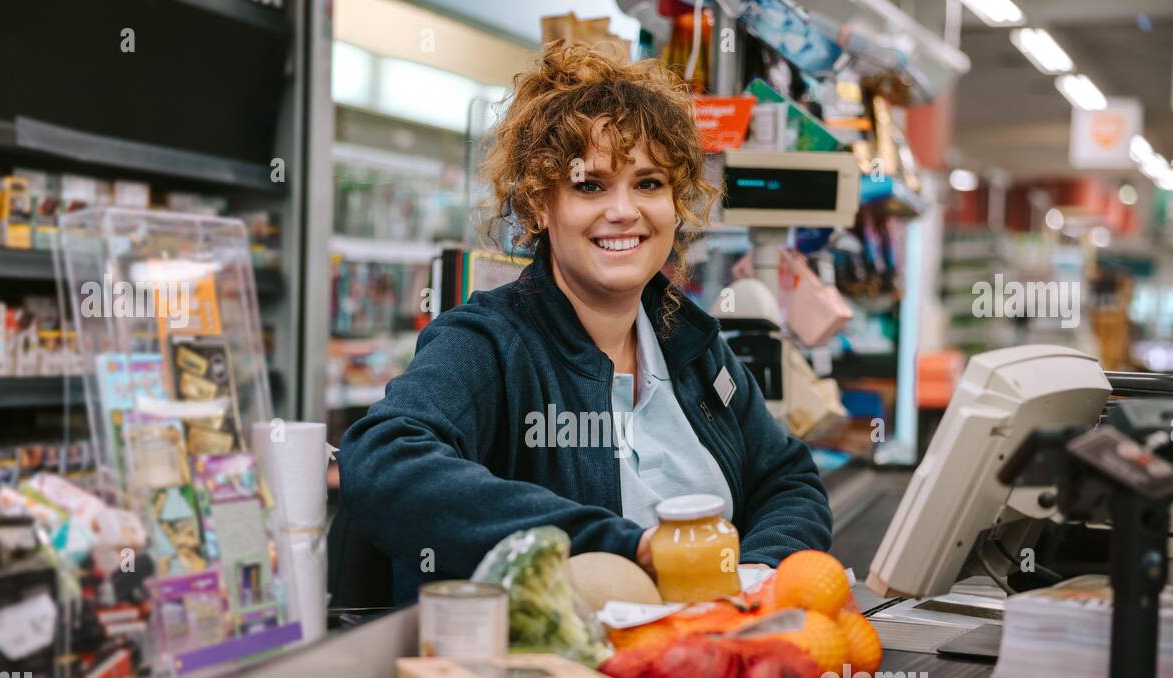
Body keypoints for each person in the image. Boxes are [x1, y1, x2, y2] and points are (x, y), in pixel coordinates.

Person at [339, 41, 831, 604]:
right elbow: (383, 460)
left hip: (708, 659)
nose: (623, 211)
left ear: (677, 205)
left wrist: (754, 580)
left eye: (649, 183)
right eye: (590, 185)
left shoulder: (689, 343)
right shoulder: (490, 343)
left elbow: (789, 478)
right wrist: (624, 548)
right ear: (539, 207)